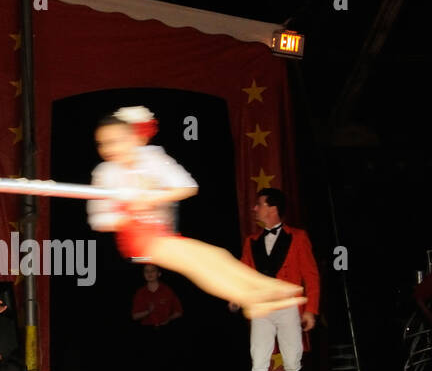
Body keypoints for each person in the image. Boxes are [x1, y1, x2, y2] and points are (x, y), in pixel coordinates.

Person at [86, 106, 304, 320]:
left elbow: (188, 186)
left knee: (218, 255)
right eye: (103, 144)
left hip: (162, 234)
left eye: (116, 141)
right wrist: (126, 211)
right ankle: (250, 299)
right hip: (138, 239)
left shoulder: (153, 159)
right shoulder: (105, 173)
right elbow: (99, 220)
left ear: (134, 138)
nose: (109, 148)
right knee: (197, 266)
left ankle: (265, 287)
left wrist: (152, 196)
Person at [231, 188, 320, 371]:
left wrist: (311, 310)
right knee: (258, 359)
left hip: (288, 305)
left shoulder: (299, 237)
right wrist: (236, 297)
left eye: (259, 204)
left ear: (272, 208)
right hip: (262, 306)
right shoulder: (251, 241)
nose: (254, 209)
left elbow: (311, 275)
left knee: (293, 358)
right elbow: (244, 274)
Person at [131, 264, 185, 371]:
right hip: (147, 333)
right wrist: (147, 312)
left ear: (159, 274)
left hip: (165, 332)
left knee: (167, 366)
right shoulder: (141, 293)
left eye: (152, 271)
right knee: (148, 368)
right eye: (146, 272)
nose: (149, 274)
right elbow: (135, 316)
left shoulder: (167, 291)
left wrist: (169, 319)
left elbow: (179, 311)